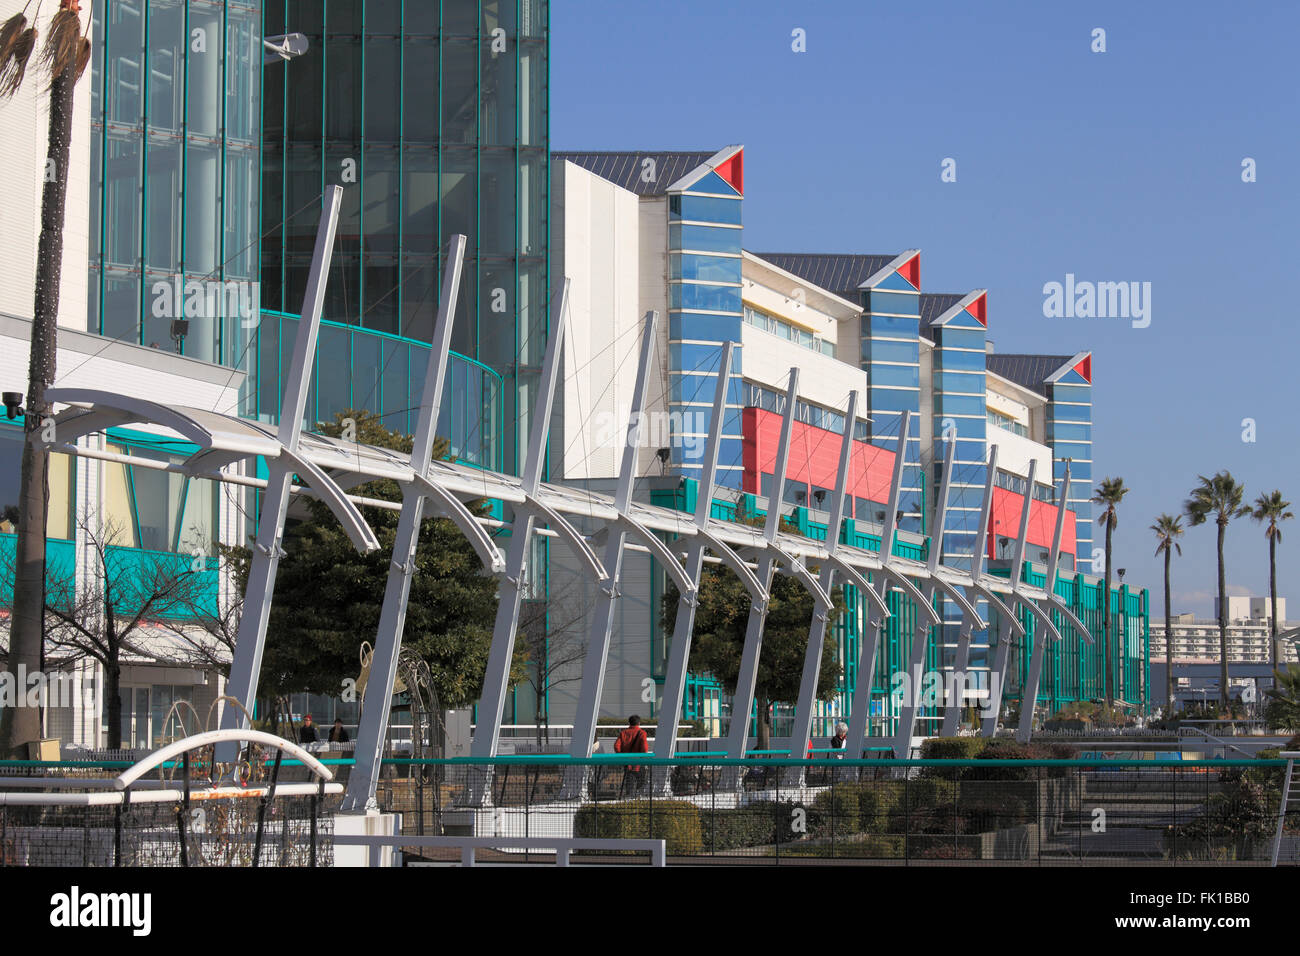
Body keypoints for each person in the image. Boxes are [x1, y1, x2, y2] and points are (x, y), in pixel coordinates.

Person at [613, 715, 648, 796]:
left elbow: (616, 746)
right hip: (638, 761)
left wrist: (622, 756)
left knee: (629, 779)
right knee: (640, 780)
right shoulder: (642, 733)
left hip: (627, 761)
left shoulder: (623, 733)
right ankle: (637, 796)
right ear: (639, 723)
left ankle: (629, 795)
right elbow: (645, 748)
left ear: (629, 722)